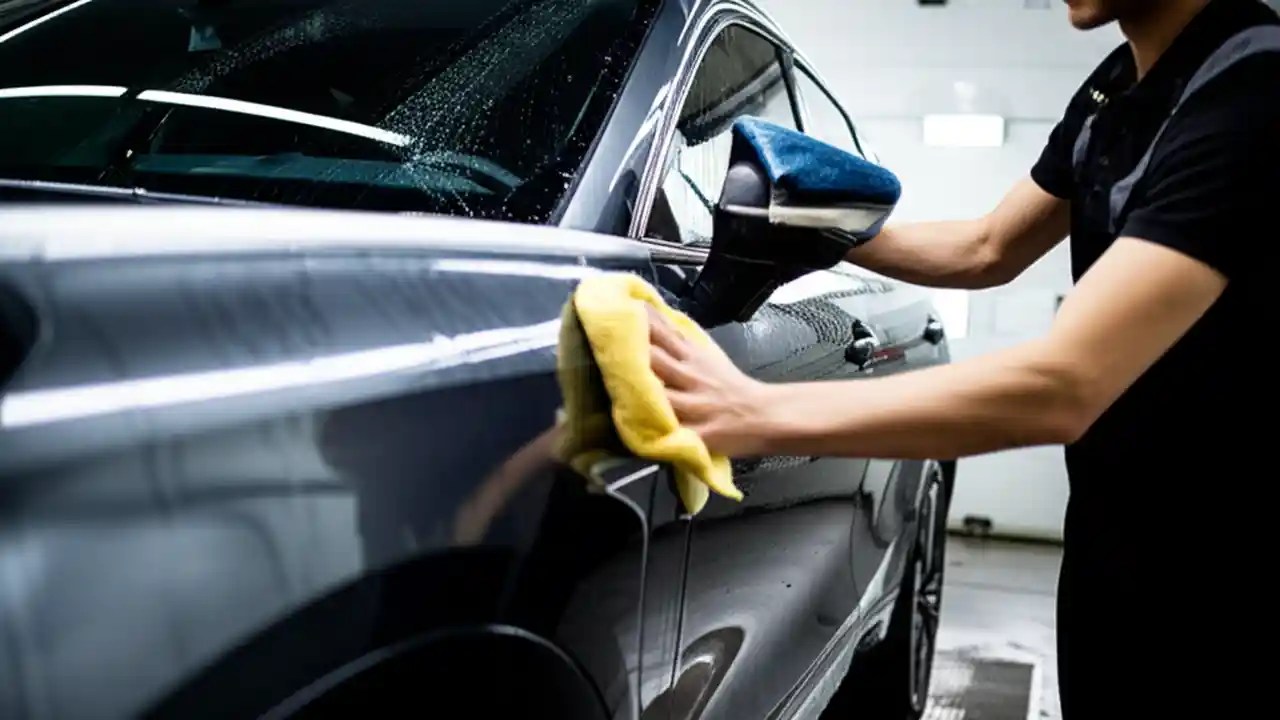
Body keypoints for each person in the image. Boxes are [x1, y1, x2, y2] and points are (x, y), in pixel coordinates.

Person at [644, 0, 1278, 716]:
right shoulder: (1114, 88)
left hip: (1229, 562)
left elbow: (1066, 385)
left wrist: (753, 413)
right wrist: (812, 223)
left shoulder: (1253, 89)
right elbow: (987, 248)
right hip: (1114, 533)